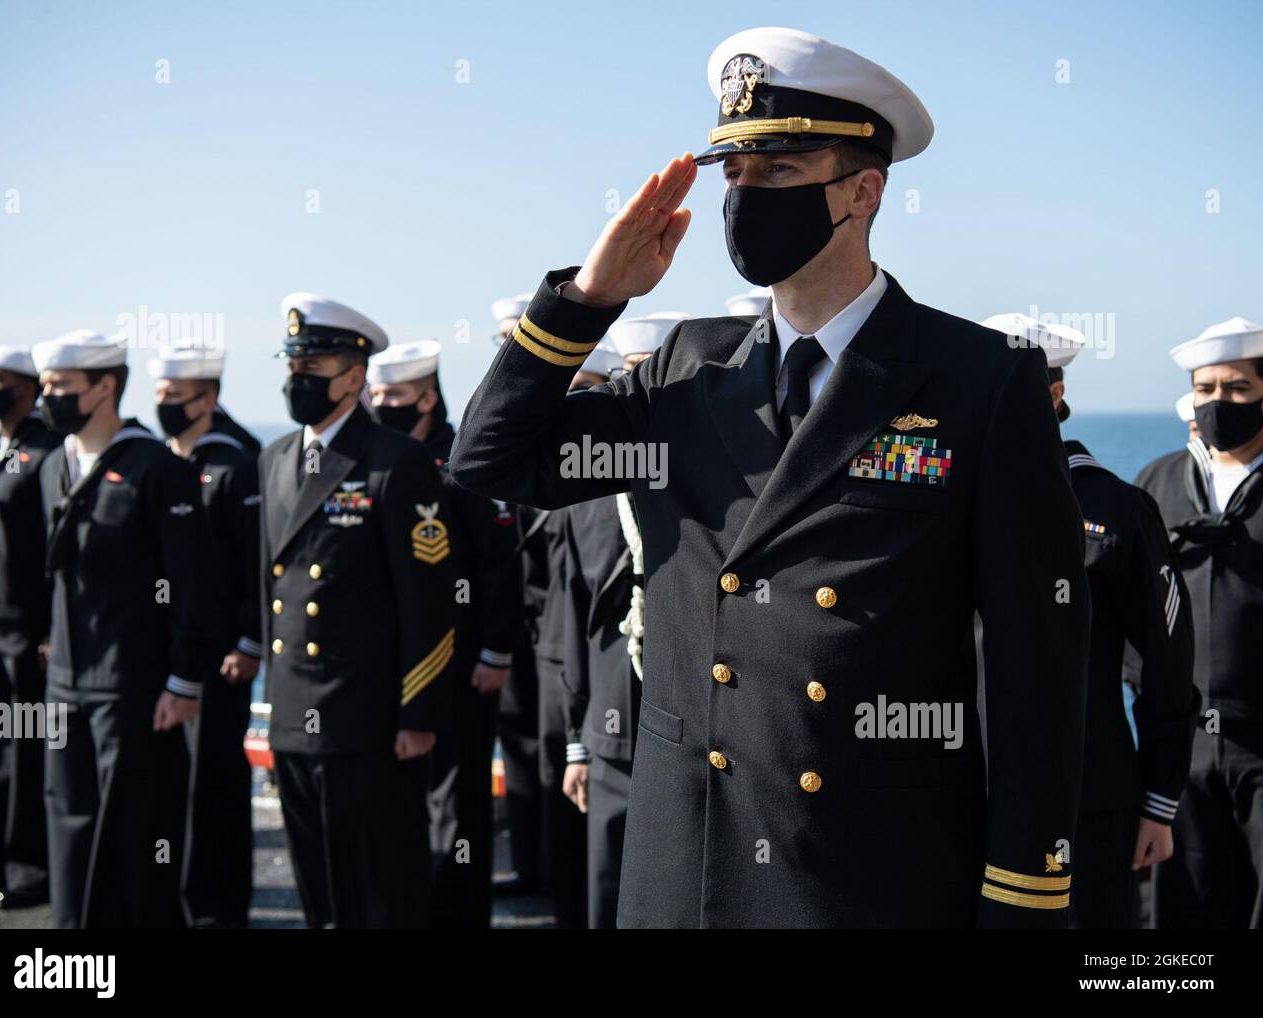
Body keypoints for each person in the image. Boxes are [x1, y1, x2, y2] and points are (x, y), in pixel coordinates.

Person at [451, 27, 1091, 928]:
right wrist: (589, 299)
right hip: (687, 867)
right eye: (736, 176)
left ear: (862, 191)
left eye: (780, 173)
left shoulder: (979, 380)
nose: (745, 198)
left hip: (865, 872)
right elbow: (492, 459)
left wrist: (1023, 892)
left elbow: (1037, 664)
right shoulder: (686, 369)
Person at [984, 314, 1198, 928]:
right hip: (963, 795)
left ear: (1055, 395)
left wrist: (1159, 801)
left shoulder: (1117, 510)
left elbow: (1168, 658)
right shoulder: (944, 500)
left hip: (1088, 801)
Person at [260, 294, 456, 928]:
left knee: (380, 893)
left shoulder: (393, 462)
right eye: (292, 365)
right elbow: (272, 592)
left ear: (353, 375)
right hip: (294, 714)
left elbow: (427, 601)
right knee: (318, 890)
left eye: (312, 367)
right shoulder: (275, 459)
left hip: (368, 721)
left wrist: (418, 713)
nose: (298, 379)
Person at [34, 329, 214, 928]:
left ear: (105, 387)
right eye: (45, 384)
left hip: (132, 684)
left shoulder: (154, 468)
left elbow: (193, 582)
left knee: (131, 839)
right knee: (66, 823)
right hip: (66, 681)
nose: (47, 396)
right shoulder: (54, 465)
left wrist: (185, 679)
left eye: (61, 386)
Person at [367, 339, 523, 928]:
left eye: (396, 395)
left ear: (427, 397)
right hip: (401, 664)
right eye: (376, 394)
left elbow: (496, 560)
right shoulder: (381, 463)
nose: (383, 405)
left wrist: (495, 649)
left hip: (462, 661)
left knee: (457, 805)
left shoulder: (462, 461)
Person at [1132, 317, 1263, 928]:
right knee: (1184, 913)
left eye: (1236, 389)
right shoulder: (1156, 485)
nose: (1218, 403)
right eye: (1205, 389)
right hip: (1182, 749)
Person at [560, 314, 684, 928]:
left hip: (700, 723)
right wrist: (578, 741)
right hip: (613, 724)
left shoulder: (730, 490)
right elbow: (573, 615)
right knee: (607, 890)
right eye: (629, 382)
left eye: (658, 382)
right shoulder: (586, 492)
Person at [149, 338, 261, 928]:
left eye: (175, 396)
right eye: (160, 394)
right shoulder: (166, 463)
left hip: (222, 658)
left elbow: (254, 564)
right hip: (174, 652)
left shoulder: (232, 465)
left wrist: (249, 642)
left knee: (212, 783)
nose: (164, 404)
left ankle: (217, 907)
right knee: (175, 784)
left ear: (208, 398)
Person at [0, 345, 61, 910]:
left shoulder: (44, 450)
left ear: (27, 389)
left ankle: (30, 869)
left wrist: (53, 628)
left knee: (27, 751)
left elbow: (54, 548)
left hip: (29, 629)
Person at [488, 294, 547, 891]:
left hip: (555, 619)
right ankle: (529, 861)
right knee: (520, 749)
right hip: (510, 621)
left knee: (556, 748)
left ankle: (549, 864)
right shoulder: (493, 431)